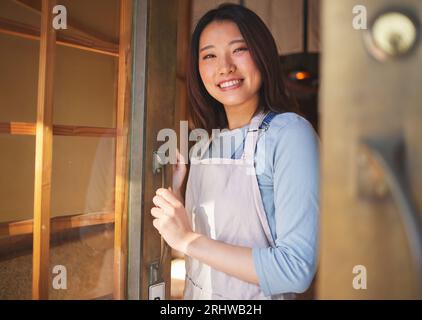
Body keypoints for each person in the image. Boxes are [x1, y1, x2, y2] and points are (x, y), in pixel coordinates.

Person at [151, 3, 319, 300]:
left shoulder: (290, 134)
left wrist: (188, 239)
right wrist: (180, 204)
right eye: (209, 55)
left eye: (238, 50)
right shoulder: (204, 145)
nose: (225, 66)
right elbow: (204, 254)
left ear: (262, 54)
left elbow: (295, 270)